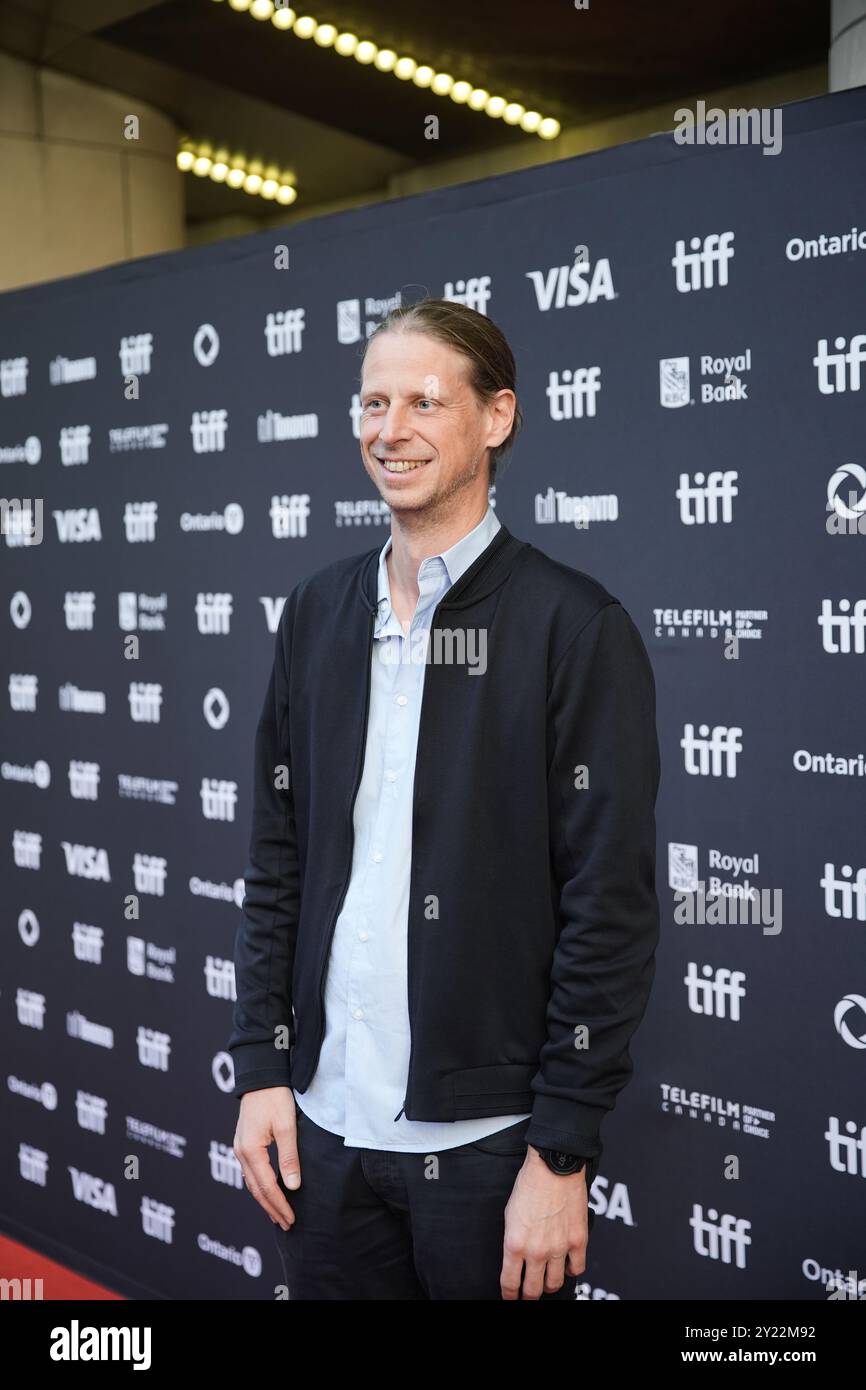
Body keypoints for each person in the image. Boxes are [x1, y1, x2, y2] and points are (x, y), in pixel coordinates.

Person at [228, 297, 660, 1300]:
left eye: (424, 400)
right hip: (322, 1137)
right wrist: (261, 1067)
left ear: (495, 417)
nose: (390, 428)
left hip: (488, 1149)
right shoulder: (315, 613)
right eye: (371, 402)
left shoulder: (572, 626)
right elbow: (277, 857)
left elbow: (609, 909)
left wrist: (558, 1154)